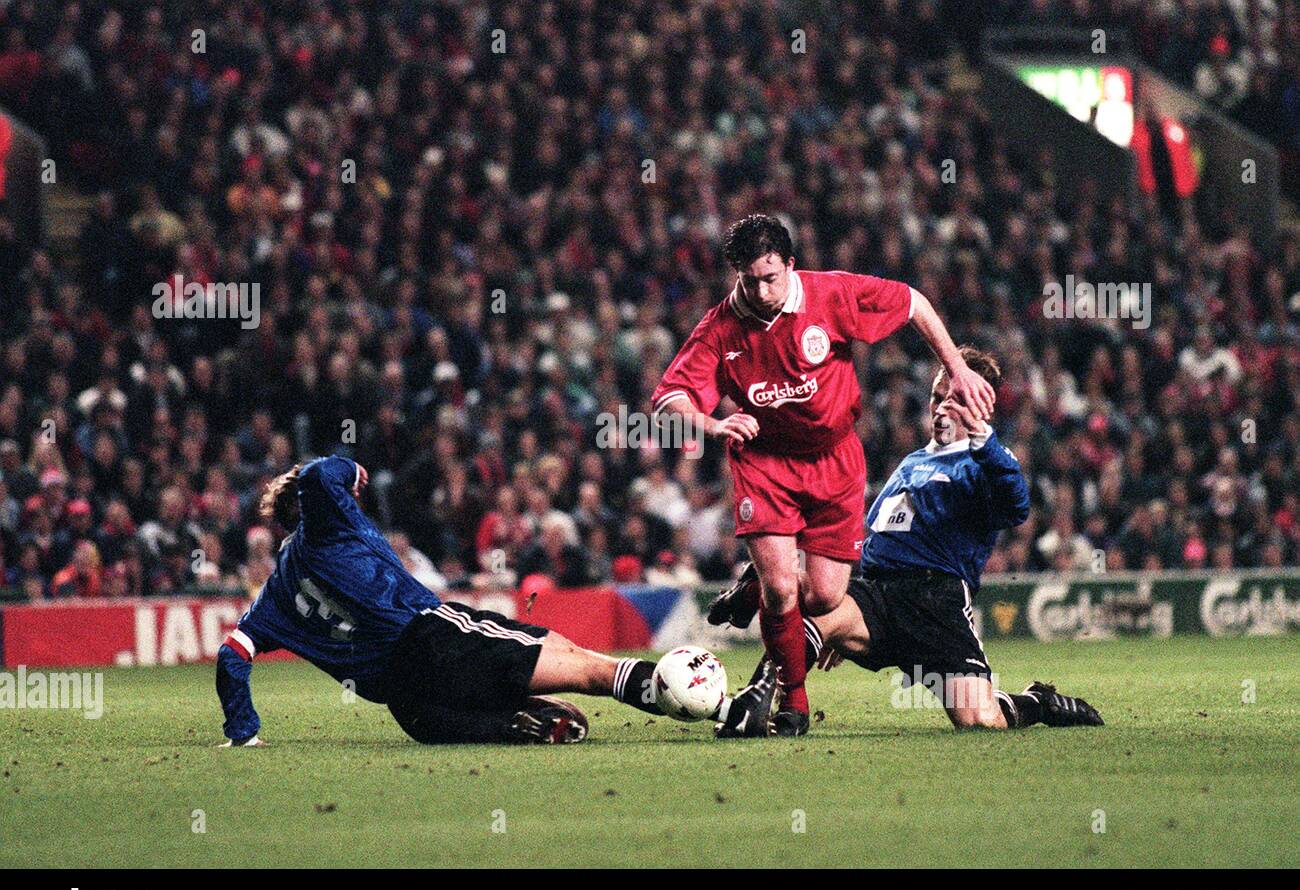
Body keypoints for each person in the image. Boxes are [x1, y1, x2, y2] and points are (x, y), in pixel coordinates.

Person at [654, 214, 994, 735]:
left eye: (771, 277)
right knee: (783, 592)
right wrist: (711, 423)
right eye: (750, 280)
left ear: (791, 266)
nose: (762, 290)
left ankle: (750, 594)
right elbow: (670, 397)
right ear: (736, 275)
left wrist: (957, 367)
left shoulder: (831, 294)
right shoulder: (721, 327)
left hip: (834, 460)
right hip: (764, 462)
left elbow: (913, 304)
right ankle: (794, 703)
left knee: (825, 595)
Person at [215, 455, 777, 746]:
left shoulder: (273, 599)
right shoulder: (326, 517)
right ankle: (727, 710)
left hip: (412, 709)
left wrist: (245, 733)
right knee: (585, 668)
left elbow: (232, 656)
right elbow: (323, 473)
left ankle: (507, 722)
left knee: (537, 695)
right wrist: (355, 475)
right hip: (432, 638)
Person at [722, 347, 1102, 731]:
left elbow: (1016, 505)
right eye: (938, 398)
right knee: (817, 615)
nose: (940, 409)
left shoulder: (985, 460)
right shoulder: (912, 461)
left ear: (980, 408)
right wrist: (843, 605)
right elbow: (877, 538)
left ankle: (1037, 702)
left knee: (980, 721)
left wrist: (983, 439)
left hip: (935, 603)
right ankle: (761, 700)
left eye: (955, 402)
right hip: (877, 594)